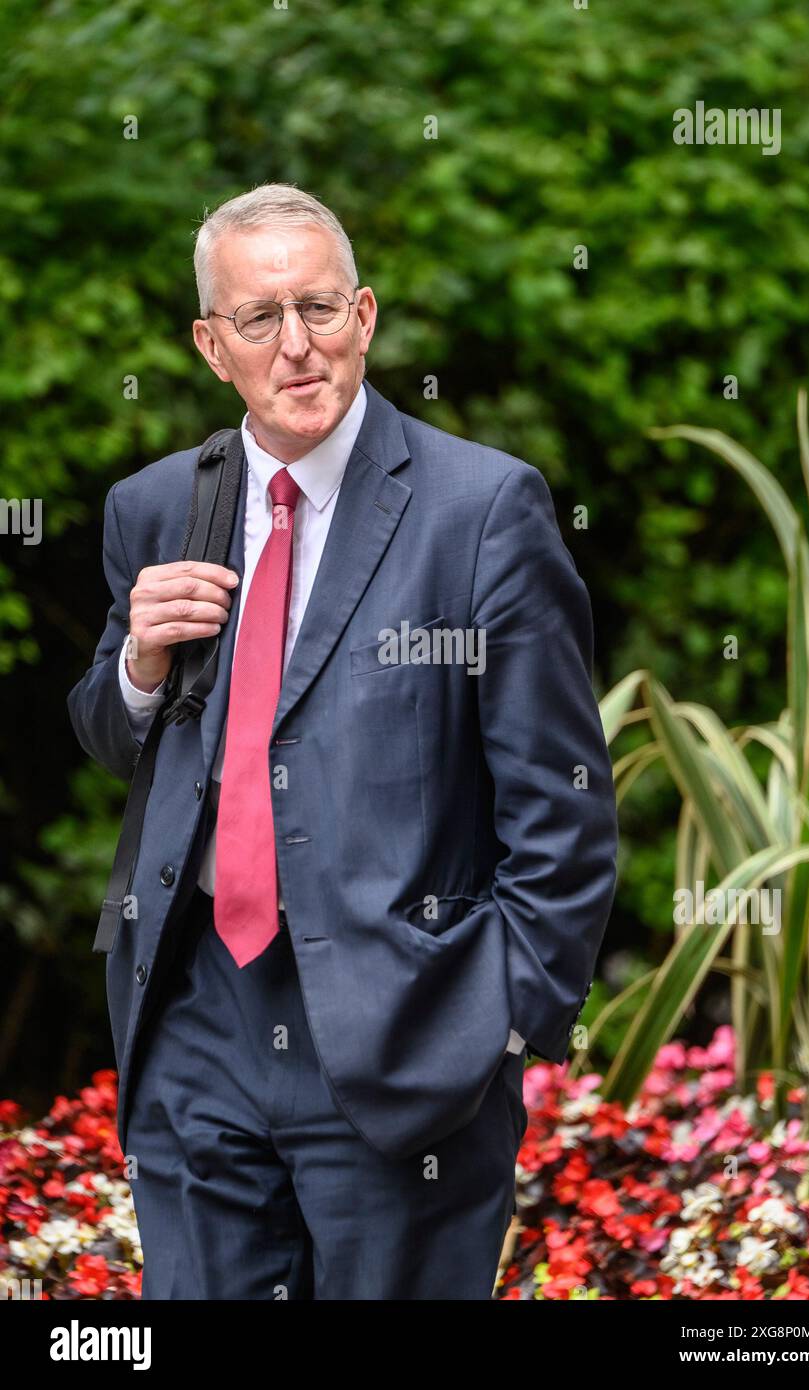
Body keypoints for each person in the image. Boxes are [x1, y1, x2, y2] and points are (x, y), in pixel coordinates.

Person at [67, 182, 619, 1300]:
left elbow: (564, 809)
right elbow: (113, 739)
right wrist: (138, 667)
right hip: (194, 1030)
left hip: (406, 1043)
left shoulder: (481, 510)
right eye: (261, 321)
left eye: (320, 308)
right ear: (211, 346)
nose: (299, 346)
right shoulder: (159, 506)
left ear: (365, 316)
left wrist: (497, 1029)